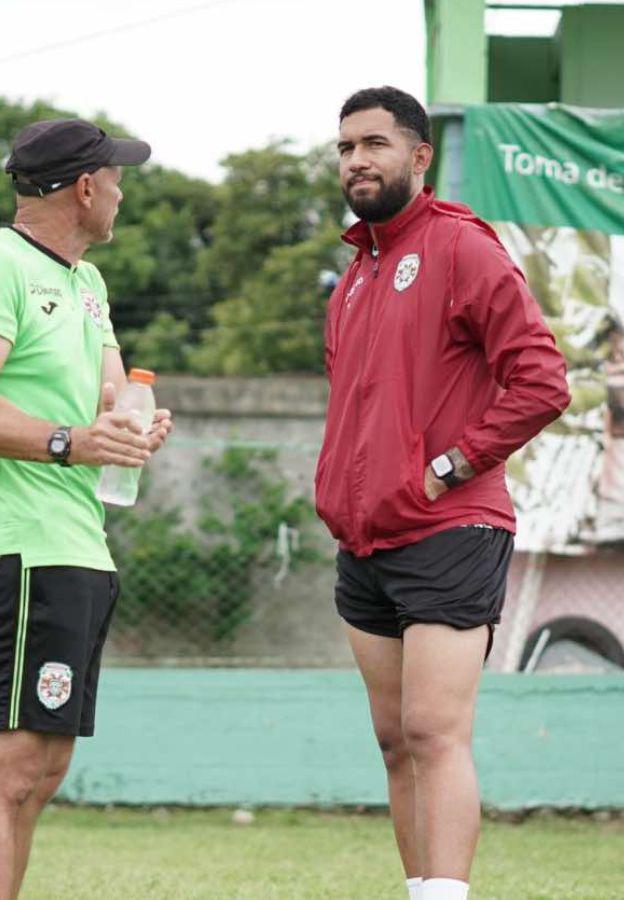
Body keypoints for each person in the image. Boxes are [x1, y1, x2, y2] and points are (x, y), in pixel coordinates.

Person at [315, 86, 570, 900]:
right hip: (365, 539)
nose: (357, 160)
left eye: (375, 144)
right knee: (394, 742)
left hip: (451, 526)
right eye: (347, 147)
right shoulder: (353, 276)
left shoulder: (461, 247)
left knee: (434, 732)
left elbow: (541, 380)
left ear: (419, 157)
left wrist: (453, 464)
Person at [0, 118, 173, 899]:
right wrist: (72, 441)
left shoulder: (87, 284)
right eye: (118, 179)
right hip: (21, 550)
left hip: (76, 547)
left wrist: (132, 424)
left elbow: (102, 400)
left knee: (40, 770)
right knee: (3, 771)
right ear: (86, 186)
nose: (124, 194)